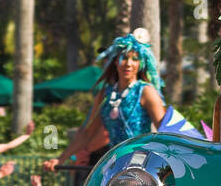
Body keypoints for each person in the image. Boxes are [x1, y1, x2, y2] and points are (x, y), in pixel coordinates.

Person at [44, 29, 165, 173]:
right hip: (114, 166)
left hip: (141, 169)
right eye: (124, 58)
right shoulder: (106, 94)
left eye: (135, 59)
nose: (128, 64)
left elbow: (165, 130)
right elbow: (87, 132)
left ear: (141, 64)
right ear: (115, 61)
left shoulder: (146, 91)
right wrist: (60, 159)